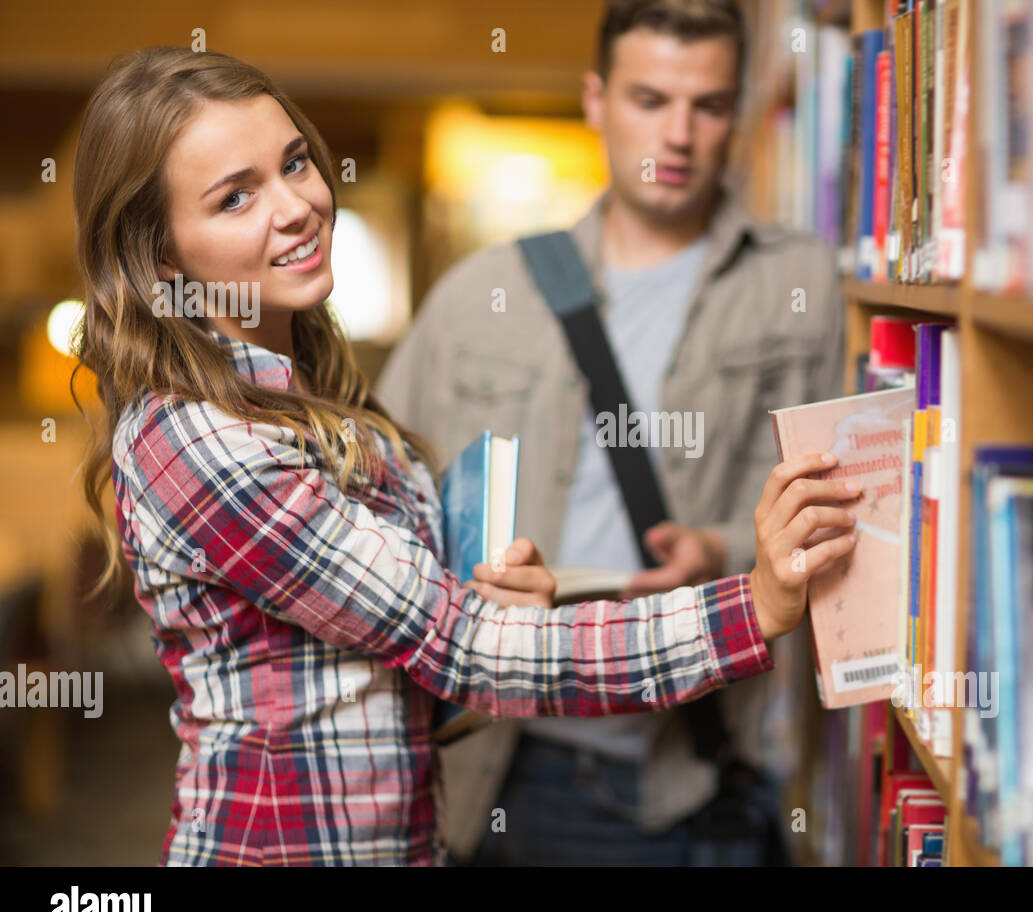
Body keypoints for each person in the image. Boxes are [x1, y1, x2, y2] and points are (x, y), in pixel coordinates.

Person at [70, 45, 860, 867]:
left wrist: (499, 605)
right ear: (161, 255)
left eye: (294, 163)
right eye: (236, 198)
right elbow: (459, 646)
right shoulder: (196, 439)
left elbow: (409, 656)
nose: (297, 206)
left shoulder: (308, 390)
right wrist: (754, 608)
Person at [376, 0, 844, 865]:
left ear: (737, 112)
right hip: (515, 763)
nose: (678, 135)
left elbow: (849, 496)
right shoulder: (486, 293)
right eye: (648, 99)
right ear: (595, 100)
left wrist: (725, 547)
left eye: (708, 106)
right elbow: (379, 507)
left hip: (697, 765)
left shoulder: (803, 283)